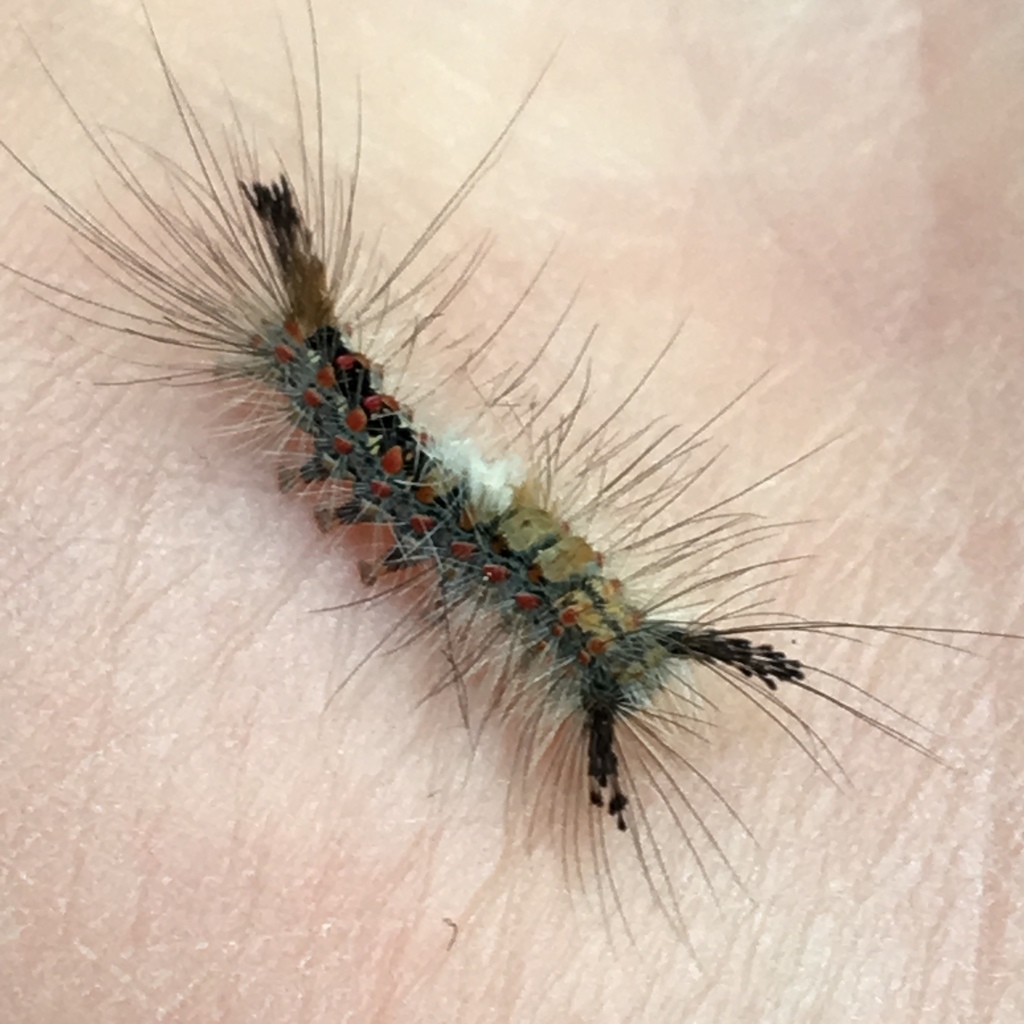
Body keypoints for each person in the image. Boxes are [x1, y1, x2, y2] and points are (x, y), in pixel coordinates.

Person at [2, 1, 1022, 1020]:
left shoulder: (529, 576)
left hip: (394, 455)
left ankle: (297, 275)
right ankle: (297, 282)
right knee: (390, 459)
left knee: (404, 471)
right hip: (363, 429)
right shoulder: (487, 556)